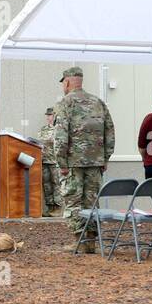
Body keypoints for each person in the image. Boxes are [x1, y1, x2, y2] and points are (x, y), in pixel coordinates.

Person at [52, 65, 115, 253]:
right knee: (91, 201)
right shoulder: (98, 102)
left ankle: (78, 240)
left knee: (73, 201)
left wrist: (61, 162)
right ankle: (90, 242)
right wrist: (105, 158)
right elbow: (109, 131)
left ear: (68, 82)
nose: (63, 86)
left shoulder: (65, 103)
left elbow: (61, 135)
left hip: (73, 162)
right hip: (95, 162)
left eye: (63, 82)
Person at [38, 107, 62, 217]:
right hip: (44, 160)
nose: (48, 117)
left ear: (55, 116)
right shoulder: (43, 129)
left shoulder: (59, 129)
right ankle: (49, 207)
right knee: (46, 185)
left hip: (55, 161)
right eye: (47, 115)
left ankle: (58, 208)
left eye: (50, 115)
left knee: (56, 184)